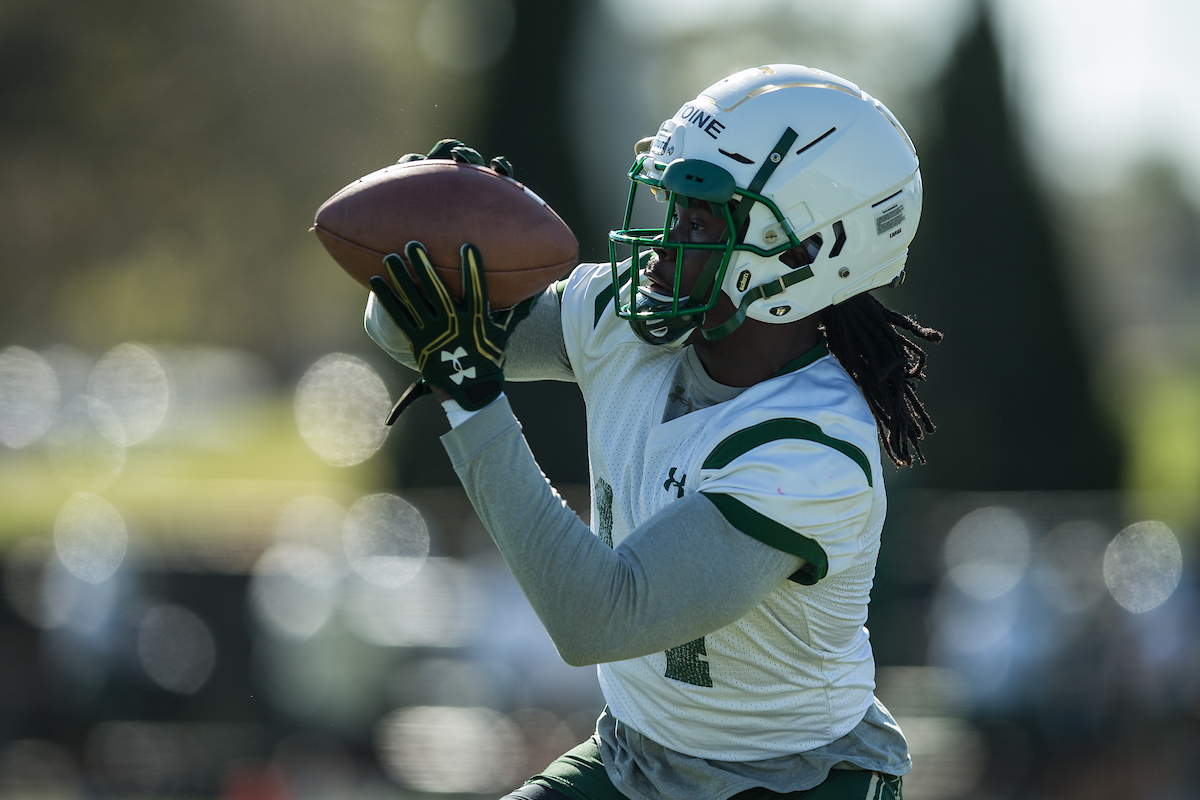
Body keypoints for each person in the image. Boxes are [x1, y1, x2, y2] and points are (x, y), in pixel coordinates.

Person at [365, 64, 941, 800]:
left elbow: (596, 617)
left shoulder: (810, 446)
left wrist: (475, 402)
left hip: (794, 783)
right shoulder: (631, 315)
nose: (664, 245)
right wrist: (437, 231)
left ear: (803, 256)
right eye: (672, 209)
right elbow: (410, 330)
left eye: (700, 220)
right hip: (638, 759)